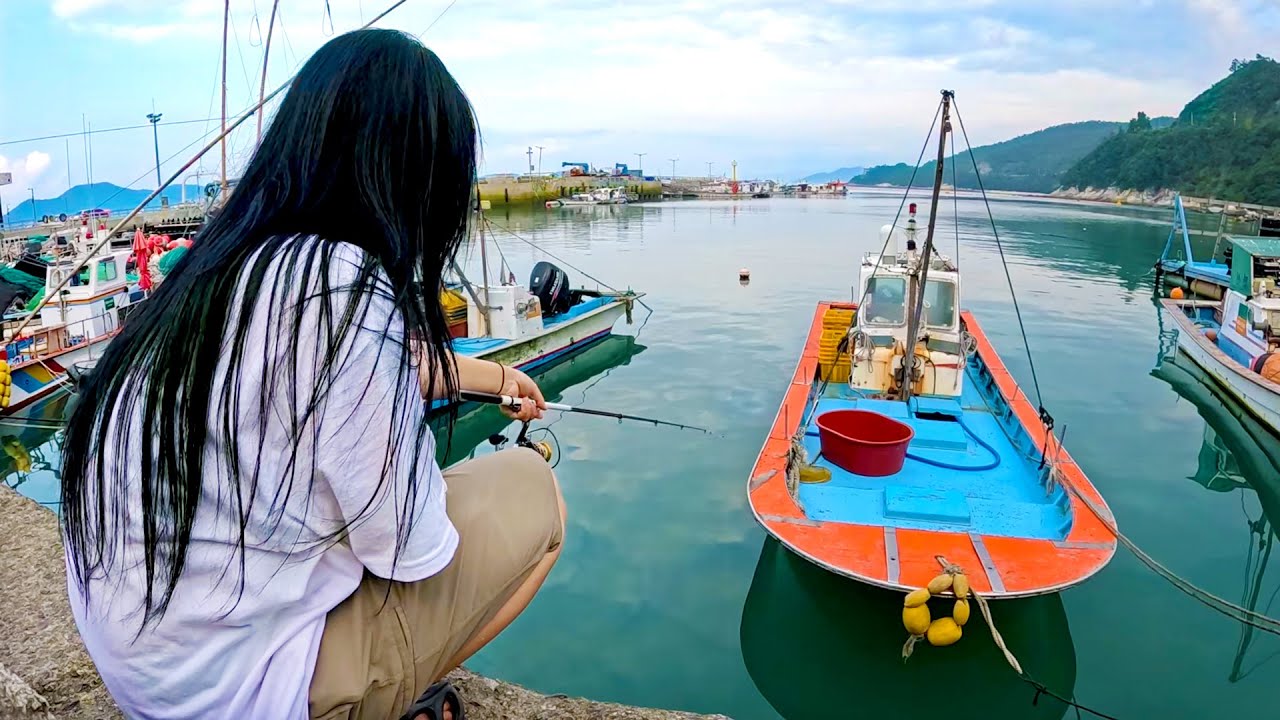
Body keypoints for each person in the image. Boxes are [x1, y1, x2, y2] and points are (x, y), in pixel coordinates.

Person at [60, 29, 565, 720]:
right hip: (236, 693)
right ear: (418, 177)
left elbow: (349, 371)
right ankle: (383, 699)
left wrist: (491, 377)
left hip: (150, 669)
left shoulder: (228, 267)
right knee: (534, 496)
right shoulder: (344, 288)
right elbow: (409, 550)